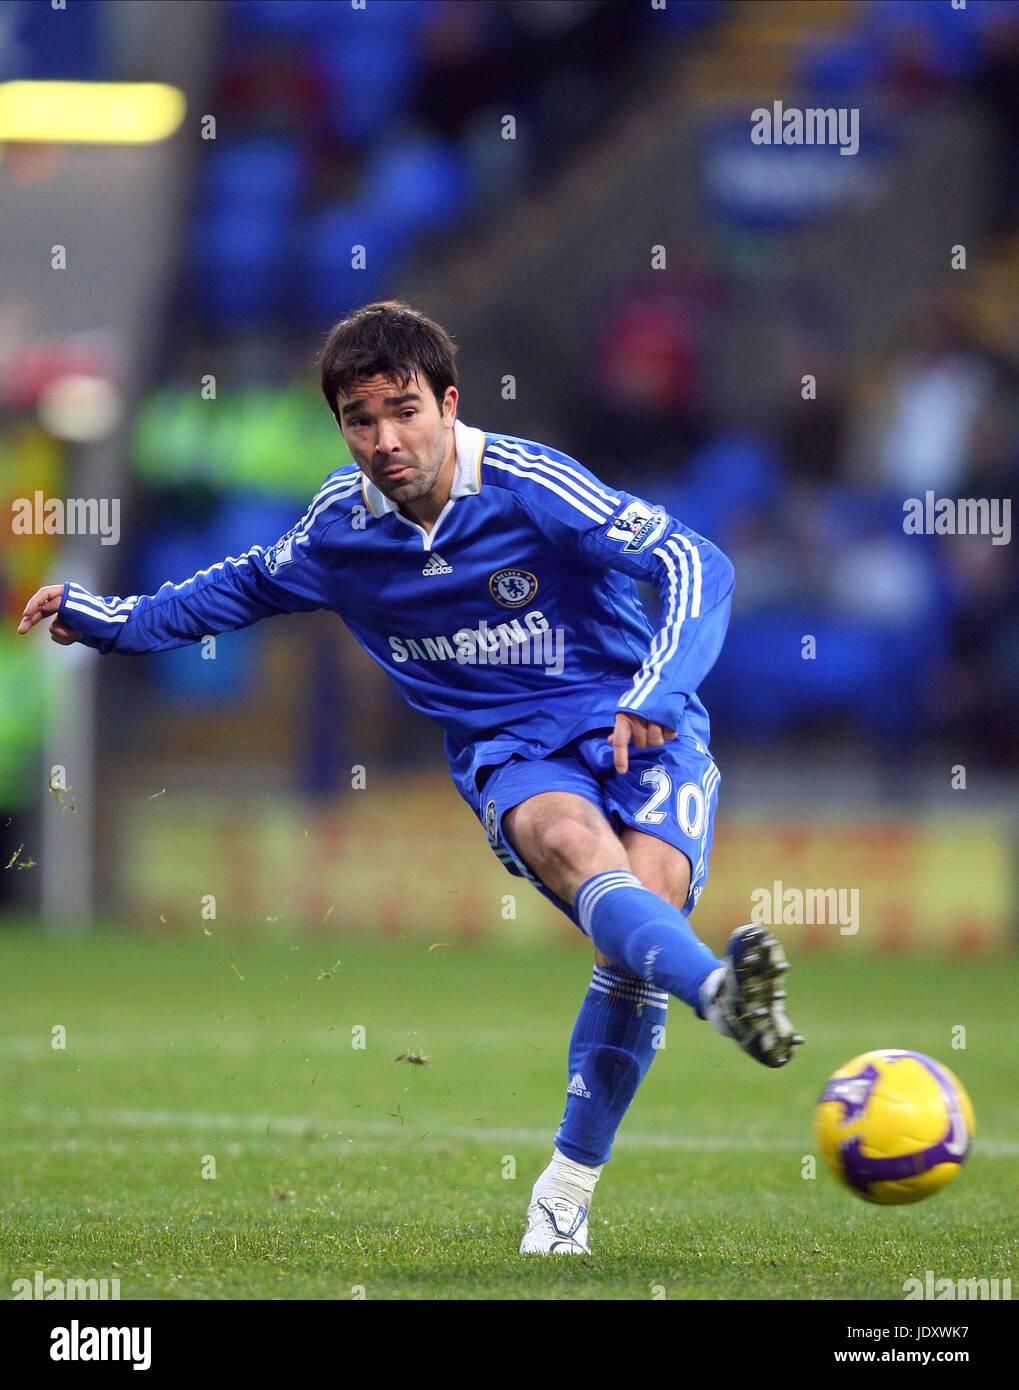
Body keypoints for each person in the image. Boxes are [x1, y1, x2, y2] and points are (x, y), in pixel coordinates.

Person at [18, 300, 802, 1256]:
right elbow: (231, 589)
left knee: (642, 920)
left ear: (448, 403)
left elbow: (694, 559)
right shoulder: (338, 532)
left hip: (641, 726)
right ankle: (721, 996)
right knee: (570, 847)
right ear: (339, 426)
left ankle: (564, 1188)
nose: (385, 440)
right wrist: (107, 619)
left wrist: (660, 683)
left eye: (403, 410)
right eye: (359, 419)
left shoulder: (527, 483)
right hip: (513, 751)